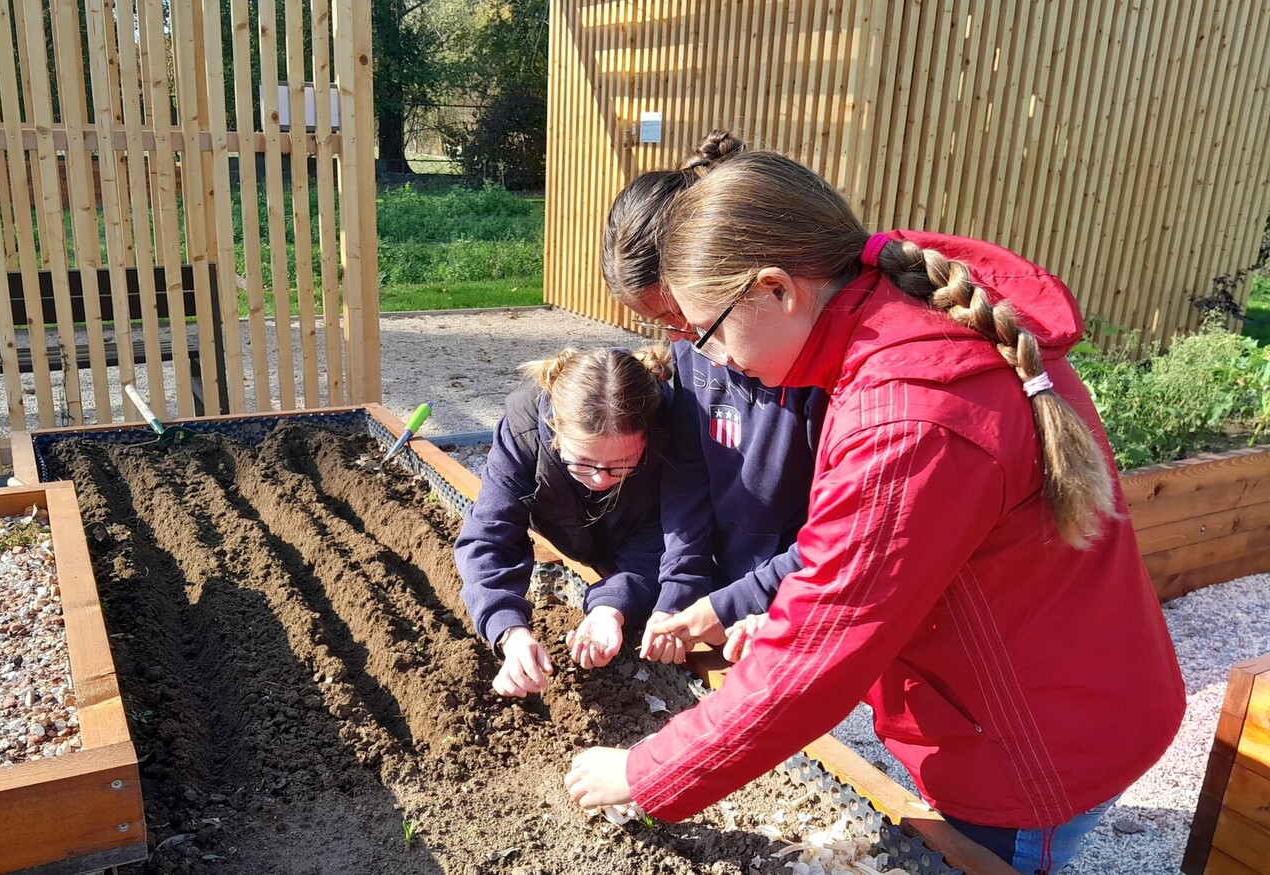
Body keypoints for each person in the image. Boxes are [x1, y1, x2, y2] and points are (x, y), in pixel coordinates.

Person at [564, 150, 1185, 875]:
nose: (717, 361)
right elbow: (901, 553)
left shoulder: (905, 416)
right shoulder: (900, 315)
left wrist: (643, 774)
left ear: (774, 289)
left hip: (1031, 751)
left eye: (706, 332)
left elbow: (809, 669)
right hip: (1059, 691)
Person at [601, 132, 826, 665]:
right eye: (660, 324)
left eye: (685, 318)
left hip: (793, 591)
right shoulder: (692, 351)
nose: (687, 340)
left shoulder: (804, 366)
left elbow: (833, 532)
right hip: (732, 591)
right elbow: (687, 473)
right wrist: (680, 590)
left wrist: (750, 603)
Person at [456, 345, 673, 698]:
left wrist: (611, 606)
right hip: (571, 533)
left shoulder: (670, 431)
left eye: (621, 465)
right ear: (555, 431)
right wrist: (509, 631)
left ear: (647, 439)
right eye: (583, 462)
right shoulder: (524, 432)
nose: (601, 479)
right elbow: (490, 537)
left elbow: (665, 538)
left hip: (634, 542)